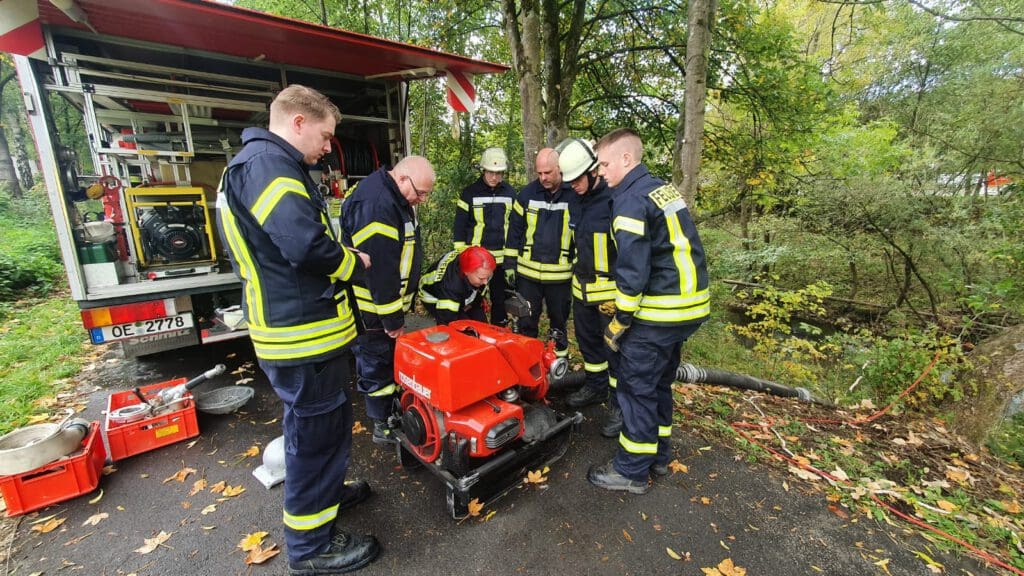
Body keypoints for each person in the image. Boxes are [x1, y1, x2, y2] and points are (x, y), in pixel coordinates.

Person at [216, 85, 379, 574]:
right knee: (316, 437)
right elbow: (305, 246)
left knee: (316, 429)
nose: (328, 147)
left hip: (300, 330)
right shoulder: (268, 166)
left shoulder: (256, 165)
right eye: (326, 136)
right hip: (300, 334)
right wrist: (354, 262)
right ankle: (311, 546)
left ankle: (323, 502)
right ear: (299, 123)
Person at [587, 128, 710, 495]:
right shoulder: (661, 189)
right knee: (658, 384)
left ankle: (631, 471)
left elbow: (633, 270)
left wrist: (620, 321)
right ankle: (658, 456)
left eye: (606, 163)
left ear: (627, 159)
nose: (601, 172)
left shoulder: (629, 200)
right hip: (686, 309)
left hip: (658, 313)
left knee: (636, 387)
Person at [341, 155, 433, 445]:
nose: (423, 200)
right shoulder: (378, 204)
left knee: (386, 360)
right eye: (421, 193)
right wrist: (393, 319)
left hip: (384, 306)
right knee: (376, 362)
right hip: (373, 309)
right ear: (403, 178)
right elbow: (379, 270)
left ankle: (390, 411)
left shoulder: (395, 199)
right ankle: (382, 424)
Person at [555, 138, 623, 437]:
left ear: (595, 171)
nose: (574, 186)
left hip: (610, 296)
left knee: (617, 353)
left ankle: (621, 407)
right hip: (581, 291)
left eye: (578, 179)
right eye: (569, 181)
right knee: (589, 345)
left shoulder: (615, 199)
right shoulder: (573, 197)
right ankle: (596, 388)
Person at [503, 147, 576, 356]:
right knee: (526, 323)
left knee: (559, 325)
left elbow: (582, 235)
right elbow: (514, 232)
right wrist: (509, 265)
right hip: (528, 277)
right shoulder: (526, 194)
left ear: (559, 169)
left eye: (548, 172)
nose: (543, 177)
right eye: (539, 173)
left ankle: (559, 364)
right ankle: (528, 362)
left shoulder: (574, 194)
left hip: (560, 277)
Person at [452, 147, 516, 325]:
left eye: (498, 173)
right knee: (471, 302)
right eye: (490, 172)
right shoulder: (469, 193)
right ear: (483, 170)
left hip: (502, 262)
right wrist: (462, 258)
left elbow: (516, 228)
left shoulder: (510, 193)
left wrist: (512, 262)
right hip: (476, 262)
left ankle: (499, 334)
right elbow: (459, 227)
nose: (494, 177)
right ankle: (473, 335)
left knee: (500, 302)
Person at [419, 245, 497, 325]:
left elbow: (480, 289)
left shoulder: (485, 262)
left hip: (463, 290)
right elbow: (447, 320)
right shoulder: (451, 286)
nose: (485, 282)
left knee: (483, 326)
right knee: (464, 330)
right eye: (481, 278)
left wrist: (476, 302)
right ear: (466, 272)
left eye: (488, 277)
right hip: (434, 296)